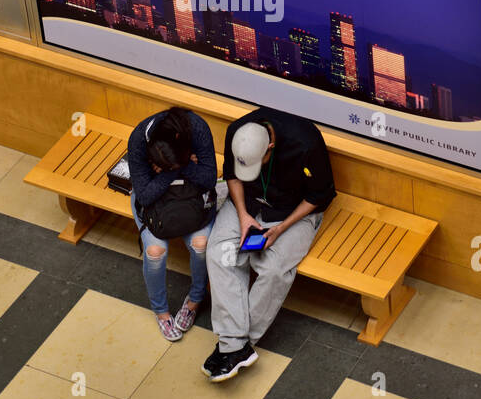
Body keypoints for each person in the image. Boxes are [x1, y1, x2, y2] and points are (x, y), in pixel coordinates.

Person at [203, 106, 335, 381]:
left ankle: (235, 345)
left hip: (294, 213)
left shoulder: (306, 143)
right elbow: (232, 176)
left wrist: (281, 229)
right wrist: (242, 216)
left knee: (273, 269)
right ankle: (236, 346)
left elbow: (319, 197)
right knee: (219, 253)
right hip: (247, 204)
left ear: (270, 147)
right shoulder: (237, 131)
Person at [127, 106, 218, 341]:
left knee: (201, 244)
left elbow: (209, 179)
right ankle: (162, 312)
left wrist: (175, 168)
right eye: (163, 165)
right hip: (156, 203)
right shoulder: (139, 138)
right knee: (155, 252)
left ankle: (195, 300)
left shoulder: (196, 127)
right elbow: (145, 195)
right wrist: (177, 170)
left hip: (192, 197)